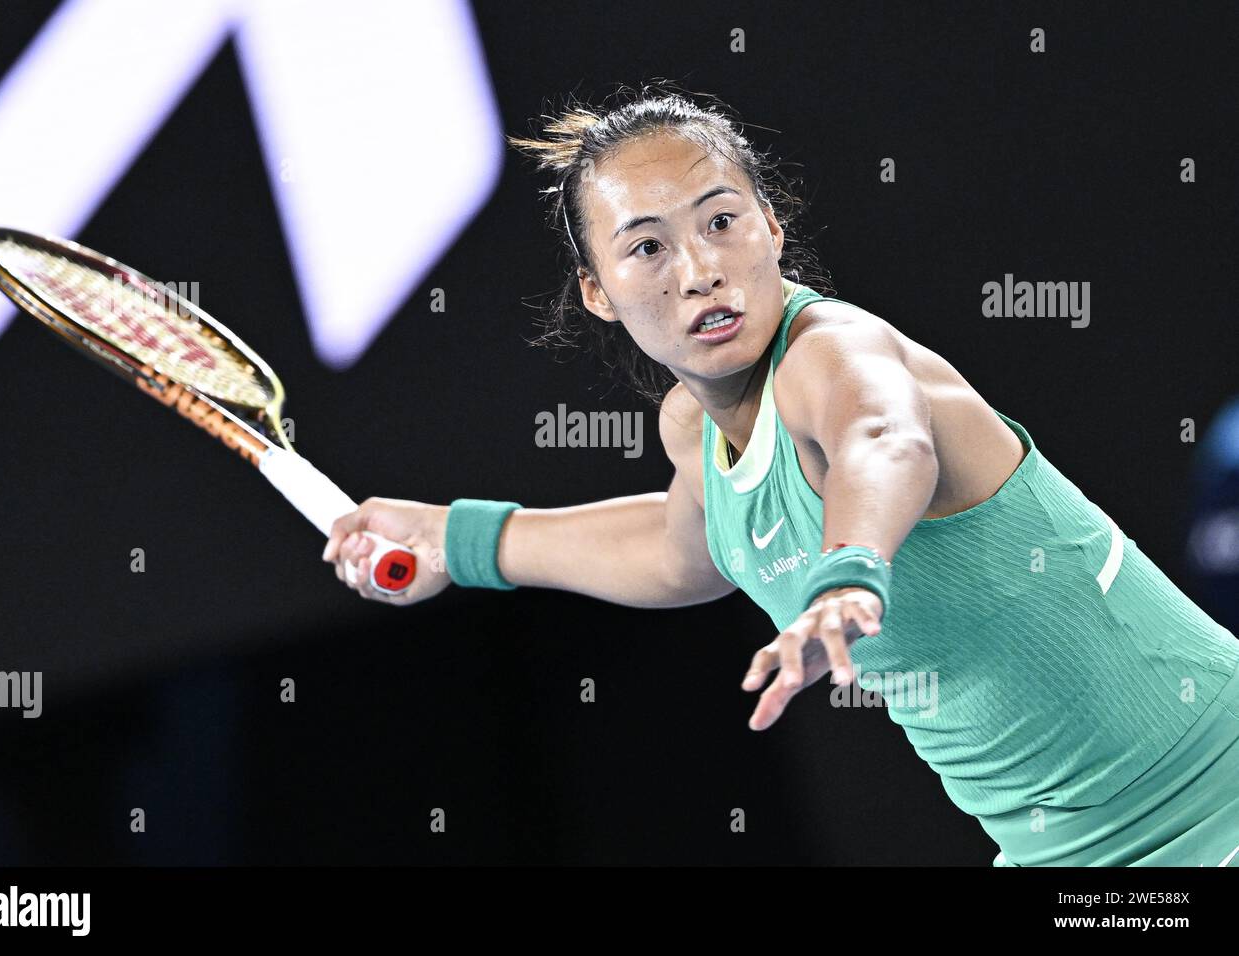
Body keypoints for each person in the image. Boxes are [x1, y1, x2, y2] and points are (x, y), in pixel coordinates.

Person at [321, 83, 1239, 866]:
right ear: (597, 291)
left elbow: (885, 441)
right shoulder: (693, 431)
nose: (700, 269)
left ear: (769, 225)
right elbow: (684, 551)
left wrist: (848, 576)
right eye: (646, 247)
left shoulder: (832, 355)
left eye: (721, 221)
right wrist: (458, 538)